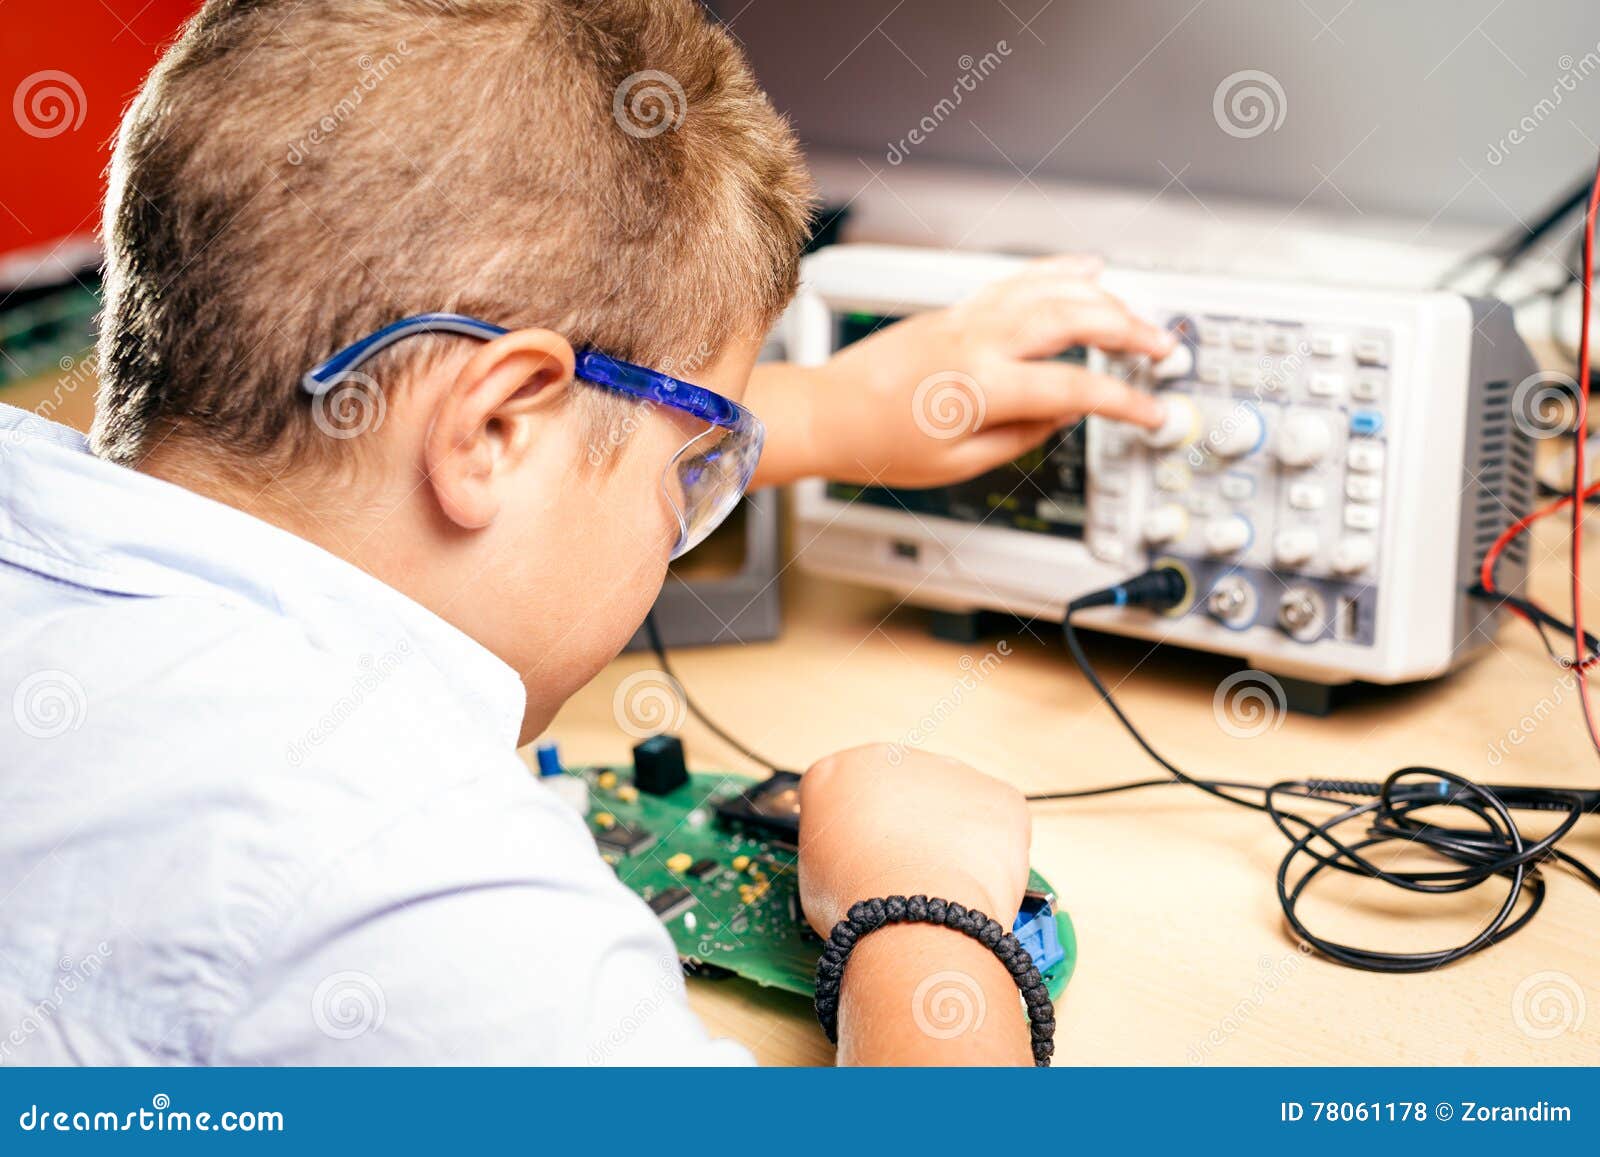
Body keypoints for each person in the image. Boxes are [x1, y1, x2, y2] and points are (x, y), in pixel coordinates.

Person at [0, 0, 1173, 1066]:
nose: (687, 507)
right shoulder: (430, 912)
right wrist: (925, 912)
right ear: (496, 424)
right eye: (691, 473)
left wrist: (838, 411)